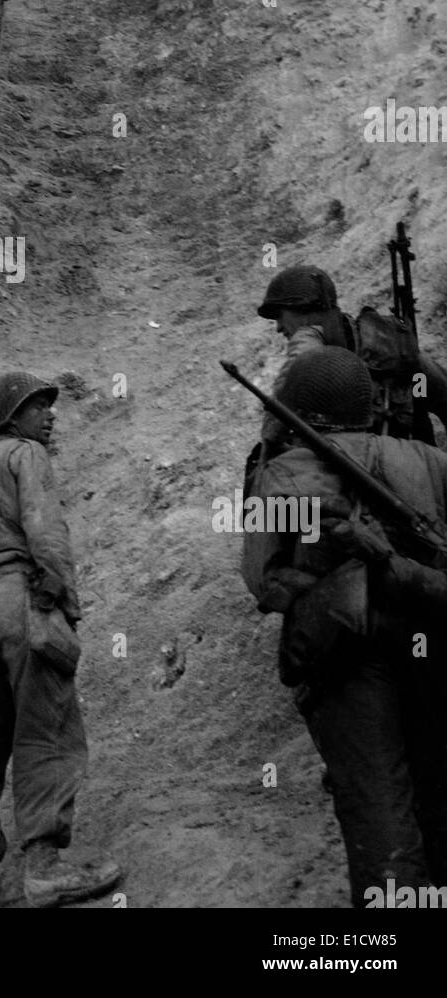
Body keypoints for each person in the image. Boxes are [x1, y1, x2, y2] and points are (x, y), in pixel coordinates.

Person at [242, 347, 447, 908]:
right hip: (430, 641)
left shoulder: (283, 474)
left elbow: (263, 582)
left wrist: (329, 584)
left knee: (377, 803)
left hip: (344, 653)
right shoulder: (430, 462)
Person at [0, 371, 121, 908]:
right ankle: (43, 868)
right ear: (12, 419)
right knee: (47, 729)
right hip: (22, 599)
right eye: (38, 406)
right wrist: (62, 600)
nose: (50, 415)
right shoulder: (26, 455)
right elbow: (44, 526)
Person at [255, 265, 447, 460]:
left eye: (280, 315)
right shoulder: (306, 366)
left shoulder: (394, 356)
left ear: (305, 310)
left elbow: (436, 391)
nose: (278, 327)